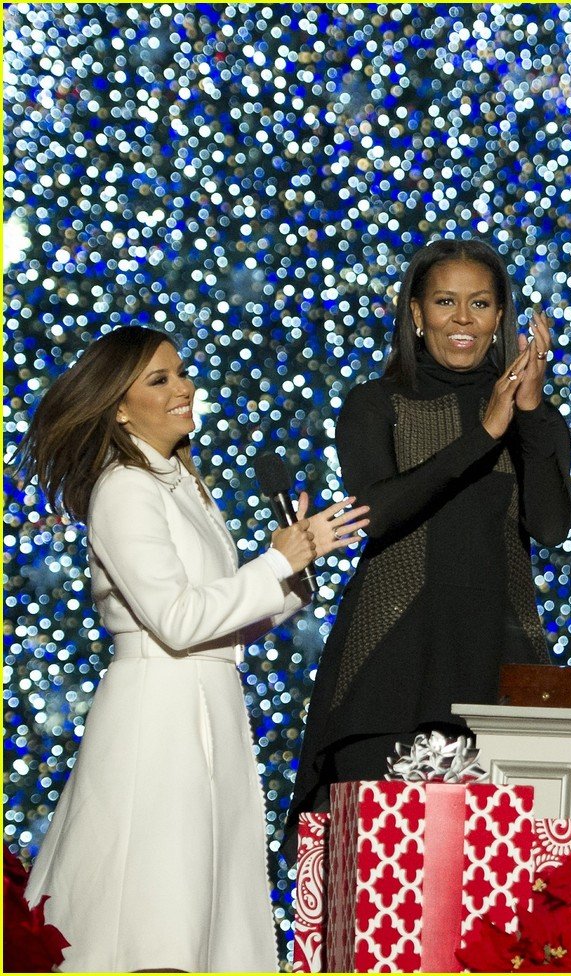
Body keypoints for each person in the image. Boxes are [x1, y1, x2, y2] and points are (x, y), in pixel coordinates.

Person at [16, 326, 369, 972]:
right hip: (159, 721)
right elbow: (176, 620)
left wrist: (295, 570)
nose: (183, 388)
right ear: (119, 406)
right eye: (160, 379)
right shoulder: (124, 488)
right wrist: (273, 562)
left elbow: (218, 620)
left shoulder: (182, 483)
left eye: (181, 373)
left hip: (207, 711)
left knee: (201, 921)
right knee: (153, 920)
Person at [288, 239, 571, 826]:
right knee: (378, 886)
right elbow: (377, 512)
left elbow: (551, 526)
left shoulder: (530, 415)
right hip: (392, 667)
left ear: (501, 317)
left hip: (500, 669)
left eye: (481, 304)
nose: (463, 319)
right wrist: (484, 433)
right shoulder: (376, 403)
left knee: (495, 888)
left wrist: (532, 411)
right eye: (445, 302)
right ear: (416, 314)